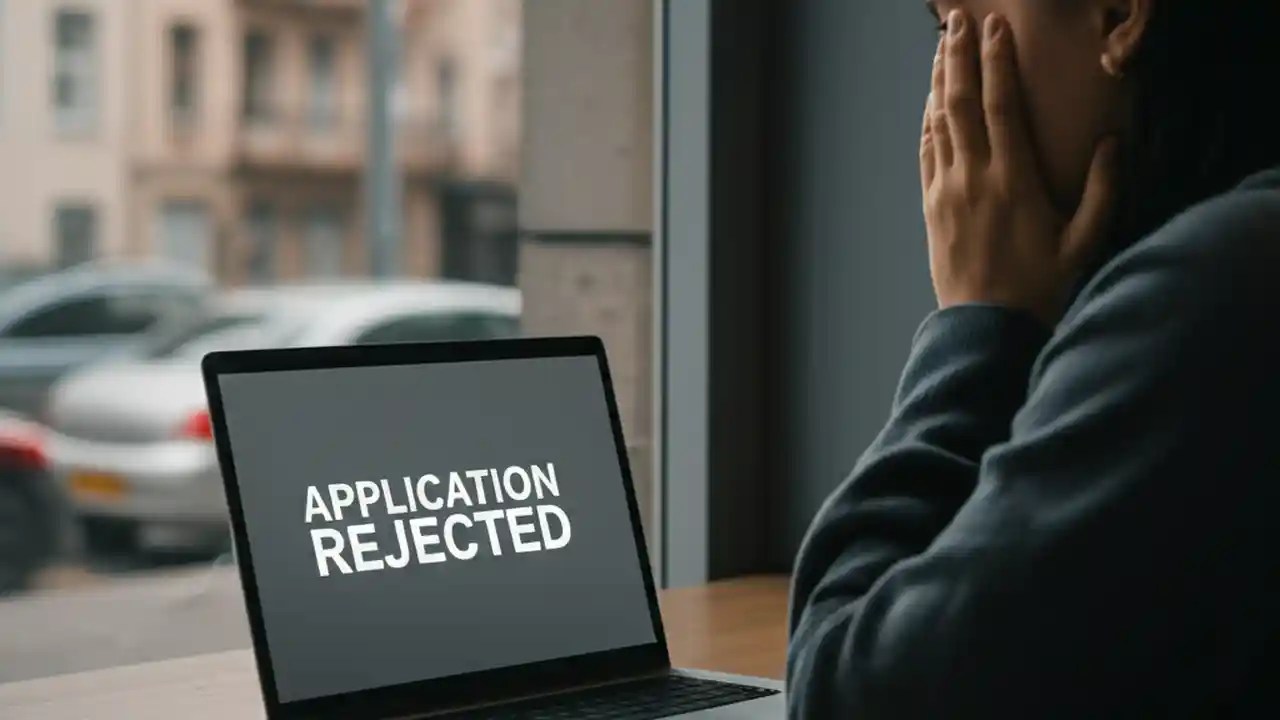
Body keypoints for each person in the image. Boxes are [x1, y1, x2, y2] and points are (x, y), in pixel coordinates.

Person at [787, 1, 1280, 717]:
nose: (941, 93)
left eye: (957, 24)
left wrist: (980, 326)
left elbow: (847, 696)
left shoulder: (1221, 290)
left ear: (1120, 15)